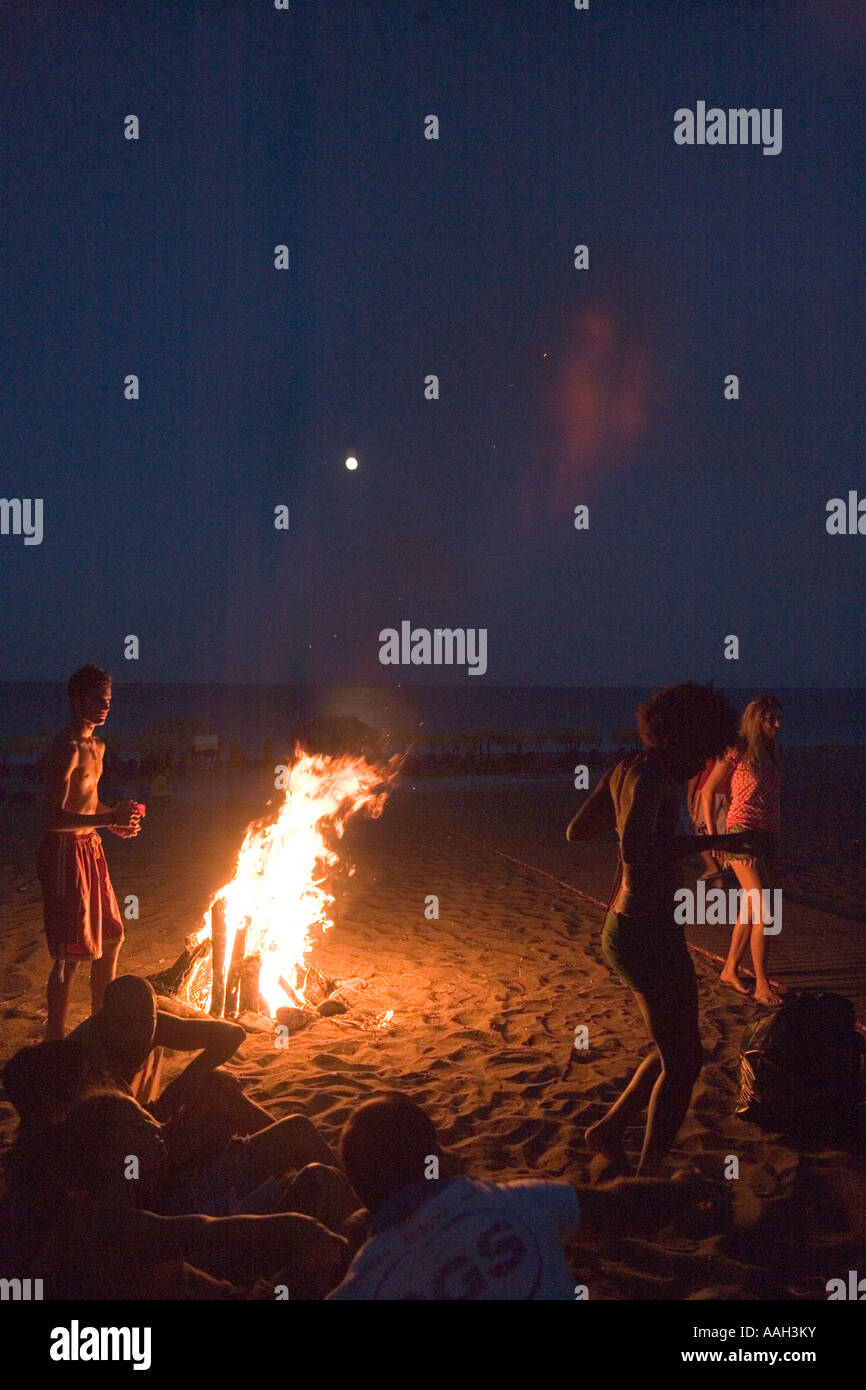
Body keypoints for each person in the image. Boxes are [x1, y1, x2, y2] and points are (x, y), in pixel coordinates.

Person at [566, 682, 770, 1176]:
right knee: (683, 1064)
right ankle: (648, 1175)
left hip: (629, 927)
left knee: (676, 1049)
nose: (704, 763)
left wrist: (629, 818)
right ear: (686, 736)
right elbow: (636, 851)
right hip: (645, 934)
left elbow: (577, 831)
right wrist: (716, 839)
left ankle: (609, 1131)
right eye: (703, 751)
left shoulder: (626, 767)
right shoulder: (654, 779)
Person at [327, 1094, 724, 1300]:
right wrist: (683, 1186)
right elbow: (621, 1207)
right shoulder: (514, 1202)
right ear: (438, 1156)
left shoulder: (363, 1285)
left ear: (357, 1193)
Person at [37, 665, 142, 1038]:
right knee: (71, 955)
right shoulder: (65, 748)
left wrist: (113, 820)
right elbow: (50, 817)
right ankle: (55, 1040)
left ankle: (101, 1026)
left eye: (108, 701)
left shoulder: (98, 747)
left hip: (91, 847)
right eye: (98, 700)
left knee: (112, 937)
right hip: (64, 853)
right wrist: (107, 817)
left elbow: (89, 806)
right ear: (75, 698)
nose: (105, 707)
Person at [701, 696, 783, 1006]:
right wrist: (714, 837)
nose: (777, 724)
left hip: (768, 837)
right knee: (765, 910)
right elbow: (708, 790)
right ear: (755, 721)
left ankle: (729, 969)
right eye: (770, 719)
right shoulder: (737, 752)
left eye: (778, 718)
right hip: (740, 835)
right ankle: (762, 983)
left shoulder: (772, 752)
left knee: (751, 907)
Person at [687, 758, 728, 884]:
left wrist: (689, 795)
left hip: (705, 793)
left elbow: (695, 774)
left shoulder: (707, 750)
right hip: (726, 794)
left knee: (700, 833)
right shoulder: (730, 749)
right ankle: (718, 878)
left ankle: (711, 866)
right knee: (719, 835)